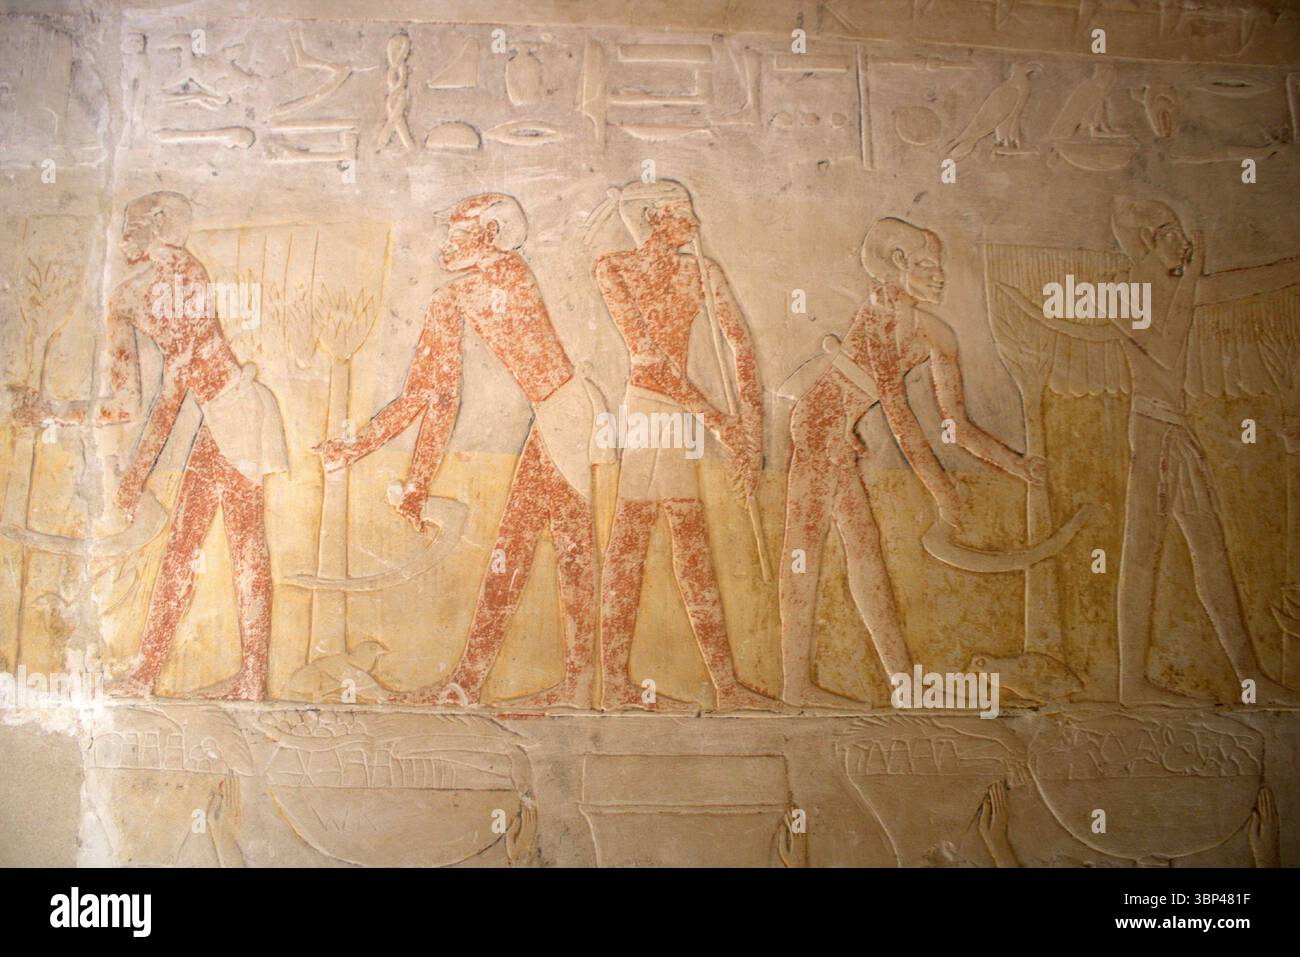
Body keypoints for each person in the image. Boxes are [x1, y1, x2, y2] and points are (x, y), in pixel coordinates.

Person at [1006, 198, 1300, 706]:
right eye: (1168, 231)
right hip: (1155, 434)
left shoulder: (1164, 292)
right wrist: (1194, 272)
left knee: (1210, 554)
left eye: (1180, 231)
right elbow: (1164, 341)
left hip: (1174, 433)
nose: (1182, 241)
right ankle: (1134, 684)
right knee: (1142, 553)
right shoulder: (1135, 299)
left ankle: (1250, 680)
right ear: (1144, 240)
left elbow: (1243, 285)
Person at [317, 193, 604, 709]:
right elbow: (431, 396)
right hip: (567, 412)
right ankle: (535, 683)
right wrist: (369, 454)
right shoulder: (488, 282)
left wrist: (407, 476)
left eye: (457, 234)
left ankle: (473, 685)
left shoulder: (475, 290)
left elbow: (434, 398)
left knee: (524, 548)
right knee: (547, 546)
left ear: (489, 237)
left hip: (564, 417)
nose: (446, 246)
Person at [12, 191, 288, 700]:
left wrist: (136, 477)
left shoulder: (182, 271)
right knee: (196, 545)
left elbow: (174, 388)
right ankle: (171, 674)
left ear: (161, 226)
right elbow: (126, 403)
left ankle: (207, 676)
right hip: (221, 418)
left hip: (238, 412)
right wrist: (51, 409)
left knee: (222, 544)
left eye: (135, 224)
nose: (124, 236)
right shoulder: (125, 298)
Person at [780, 217, 1044, 708]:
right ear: (899, 266)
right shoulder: (884, 309)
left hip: (837, 434)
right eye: (927, 265)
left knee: (863, 554)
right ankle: (801, 685)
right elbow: (898, 413)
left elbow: (957, 426)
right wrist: (940, 487)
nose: (940, 275)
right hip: (816, 428)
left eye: (940, 266)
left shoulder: (937, 336)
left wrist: (1016, 464)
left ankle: (899, 683)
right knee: (809, 552)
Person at [588, 179, 774, 710]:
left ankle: (723, 685)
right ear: (651, 219)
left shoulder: (702, 271)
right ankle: (622, 684)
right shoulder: (613, 268)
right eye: (681, 214)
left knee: (683, 542)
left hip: (683, 412)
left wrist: (751, 436)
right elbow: (648, 359)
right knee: (636, 541)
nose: (694, 224)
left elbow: (740, 344)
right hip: (650, 409)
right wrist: (720, 423)